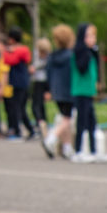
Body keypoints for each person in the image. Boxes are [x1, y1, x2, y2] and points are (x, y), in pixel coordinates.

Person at [70, 23, 107, 163]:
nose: (92, 39)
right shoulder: (80, 51)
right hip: (81, 90)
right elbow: (81, 68)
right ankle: (78, 151)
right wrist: (88, 51)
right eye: (89, 36)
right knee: (81, 122)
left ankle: (94, 151)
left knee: (92, 122)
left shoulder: (91, 52)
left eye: (93, 36)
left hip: (88, 91)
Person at [42, 24, 75, 158]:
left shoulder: (52, 56)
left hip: (56, 91)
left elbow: (48, 73)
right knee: (67, 119)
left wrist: (49, 89)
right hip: (68, 91)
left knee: (64, 117)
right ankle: (51, 138)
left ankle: (67, 147)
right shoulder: (71, 56)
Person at [1, 27, 33, 139]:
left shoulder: (22, 50)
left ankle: (18, 130)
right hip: (17, 82)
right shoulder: (18, 50)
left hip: (21, 82)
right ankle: (30, 129)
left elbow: (9, 60)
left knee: (17, 107)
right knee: (20, 107)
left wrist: (8, 51)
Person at [29, 37, 51, 136]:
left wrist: (48, 90)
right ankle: (43, 124)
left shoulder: (47, 60)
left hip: (42, 82)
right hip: (39, 82)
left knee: (36, 106)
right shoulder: (40, 57)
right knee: (39, 105)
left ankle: (41, 124)